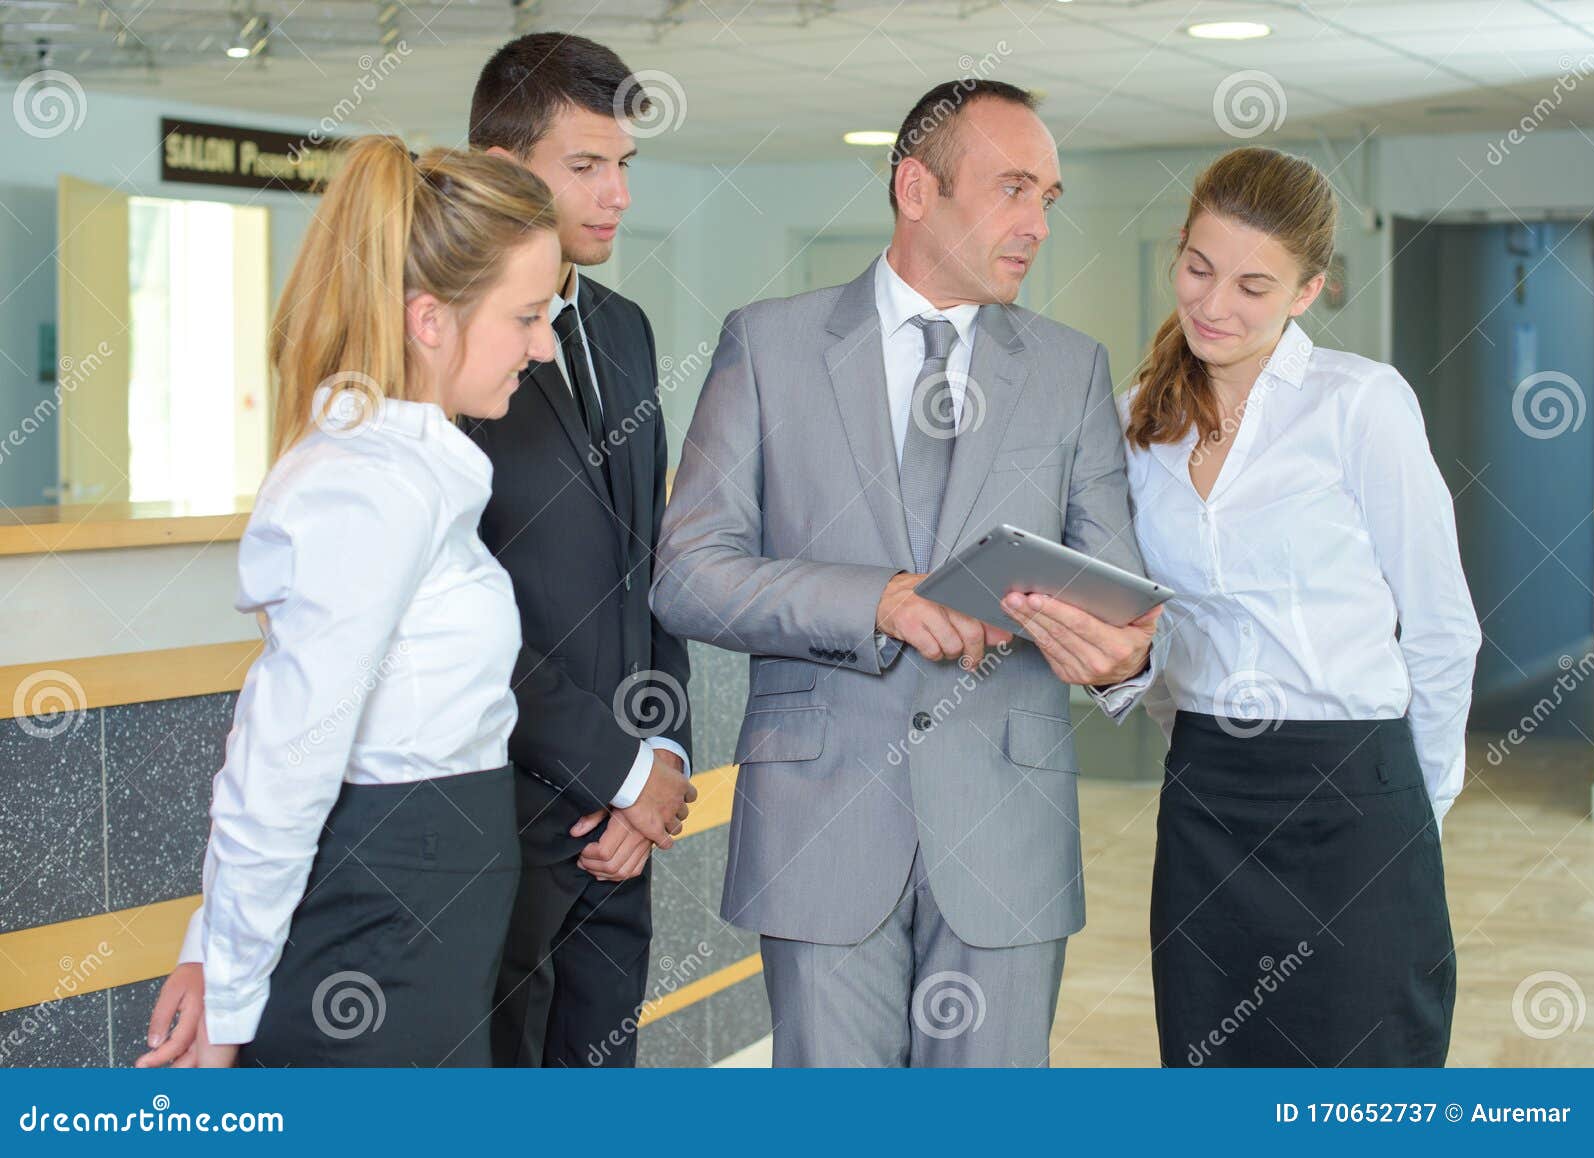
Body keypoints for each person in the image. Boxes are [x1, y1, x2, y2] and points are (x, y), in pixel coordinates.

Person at [651, 79, 1160, 1067]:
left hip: (1008, 831)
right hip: (818, 820)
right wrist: (872, 601)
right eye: (1014, 189)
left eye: (1049, 198)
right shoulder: (768, 346)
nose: (1038, 225)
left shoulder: (1071, 370)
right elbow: (688, 574)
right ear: (916, 189)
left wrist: (1116, 658)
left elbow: (1119, 595)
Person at [134, 136, 561, 1067]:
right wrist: (230, 986)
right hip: (384, 915)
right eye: (526, 315)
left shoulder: (410, 469)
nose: (546, 343)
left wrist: (215, 947)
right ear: (429, 321)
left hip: (426, 904)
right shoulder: (370, 486)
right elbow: (287, 749)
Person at [1119, 145, 1480, 1067]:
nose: (1213, 304)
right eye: (1198, 269)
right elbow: (1152, 628)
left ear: (1308, 291)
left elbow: (1442, 628)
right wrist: (1180, 725)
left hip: (1356, 800)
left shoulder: (1359, 405)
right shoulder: (1134, 424)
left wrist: (1413, 810)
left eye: (1252, 284)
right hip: (1204, 798)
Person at [464, 32, 696, 1069]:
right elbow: (457, 617)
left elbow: (653, 569)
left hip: (625, 833)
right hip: (501, 826)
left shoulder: (627, 328)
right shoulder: (443, 348)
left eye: (624, 166)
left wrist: (660, 763)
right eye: (586, 167)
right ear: (509, 172)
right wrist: (612, 769)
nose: (617, 195)